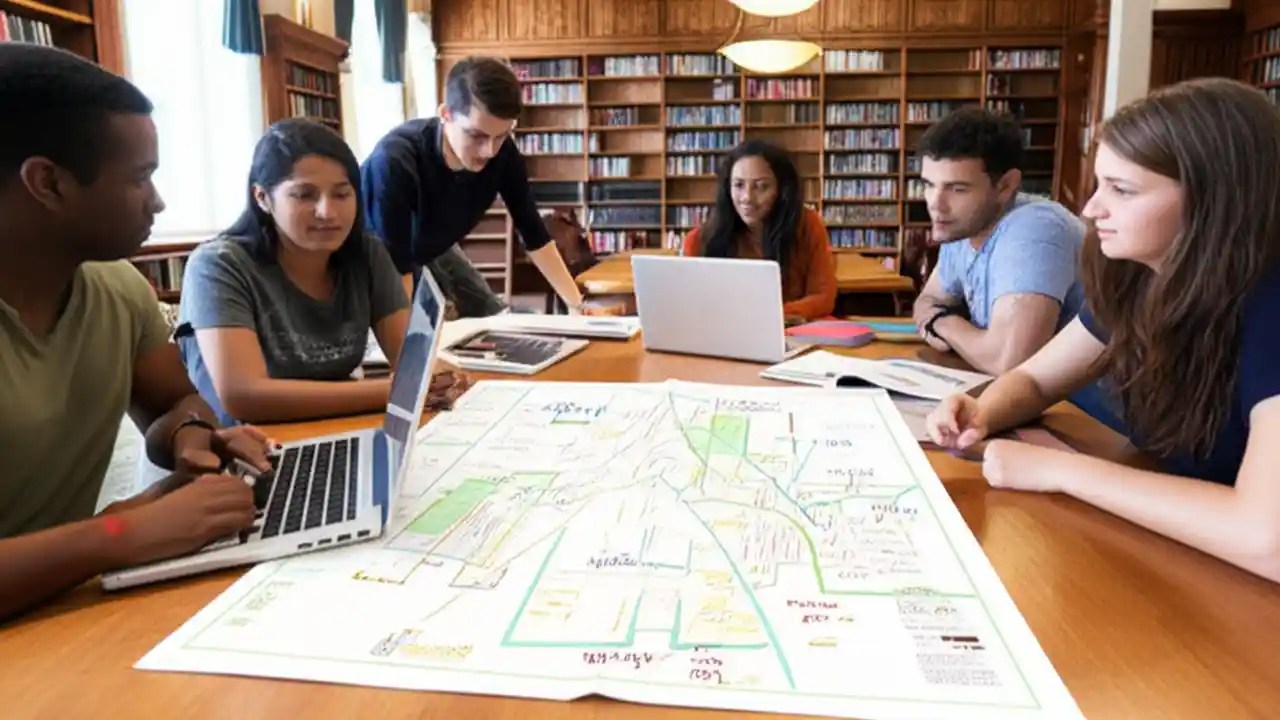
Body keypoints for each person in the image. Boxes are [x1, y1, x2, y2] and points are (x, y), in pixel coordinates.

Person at [926, 77, 1280, 584]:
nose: (1092, 209)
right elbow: (1038, 381)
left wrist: (1060, 470)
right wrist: (983, 410)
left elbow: (1267, 539)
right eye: (1099, 184)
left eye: (1122, 190)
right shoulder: (1141, 276)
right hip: (1190, 560)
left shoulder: (1271, 301)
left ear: (1214, 201)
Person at [0, 44, 273, 619]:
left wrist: (194, 437)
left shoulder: (117, 287)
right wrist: (123, 531)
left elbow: (174, 402)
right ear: (47, 182)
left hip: (59, 610)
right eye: (141, 177)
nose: (158, 200)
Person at [176, 120, 411, 426]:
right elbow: (244, 396)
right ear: (262, 198)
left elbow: (412, 363)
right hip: (238, 449)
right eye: (304, 195)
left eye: (341, 194)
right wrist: (394, 391)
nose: (327, 212)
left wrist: (418, 384)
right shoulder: (218, 265)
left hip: (332, 428)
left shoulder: (367, 255)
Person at [361, 55, 587, 317]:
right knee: (429, 333)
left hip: (432, 246)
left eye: (501, 136)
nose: (489, 151)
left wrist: (576, 305)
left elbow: (533, 232)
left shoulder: (503, 154)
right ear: (446, 114)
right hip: (373, 257)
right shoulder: (394, 162)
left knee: (496, 318)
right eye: (476, 136)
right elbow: (395, 273)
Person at [911, 106, 1087, 376]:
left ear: (1005, 186)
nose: (936, 205)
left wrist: (941, 322)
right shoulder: (965, 225)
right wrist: (941, 318)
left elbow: (1009, 362)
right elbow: (928, 301)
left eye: (957, 189)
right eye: (928, 185)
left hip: (1087, 413)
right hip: (1029, 402)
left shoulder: (1036, 230)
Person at [681, 140, 837, 321]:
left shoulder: (808, 225)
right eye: (739, 185)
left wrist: (768, 316)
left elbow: (823, 297)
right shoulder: (699, 240)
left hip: (792, 334)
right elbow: (692, 306)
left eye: (762, 186)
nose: (747, 198)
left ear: (782, 190)